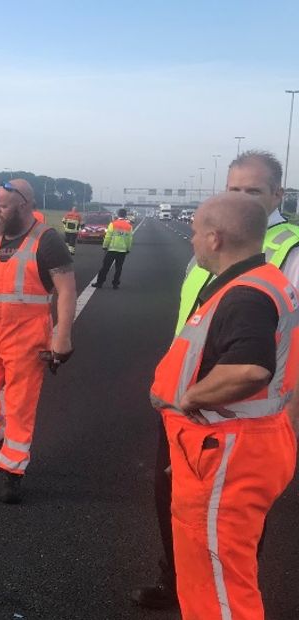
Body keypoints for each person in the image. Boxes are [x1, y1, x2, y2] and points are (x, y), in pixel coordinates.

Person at [132, 150, 299, 610]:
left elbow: (250, 368)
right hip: (210, 438)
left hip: (227, 440)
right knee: (206, 559)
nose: (191, 243)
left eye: (194, 236)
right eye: (235, 188)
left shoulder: (250, 290)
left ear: (215, 237)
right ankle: (181, 590)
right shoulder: (243, 274)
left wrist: (188, 399)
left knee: (224, 572)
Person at [0, 179, 77, 504]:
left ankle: (12, 472)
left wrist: (62, 336)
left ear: (24, 205)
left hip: (27, 333)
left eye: (3, 205)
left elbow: (67, 289)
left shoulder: (47, 240)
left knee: (19, 404)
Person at [92, 208, 134, 289]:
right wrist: (128, 249)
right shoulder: (129, 226)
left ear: (118, 214)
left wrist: (105, 246)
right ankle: (115, 284)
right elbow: (129, 239)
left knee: (105, 267)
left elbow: (108, 236)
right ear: (125, 215)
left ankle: (99, 283)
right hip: (122, 250)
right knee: (118, 268)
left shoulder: (113, 224)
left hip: (112, 249)